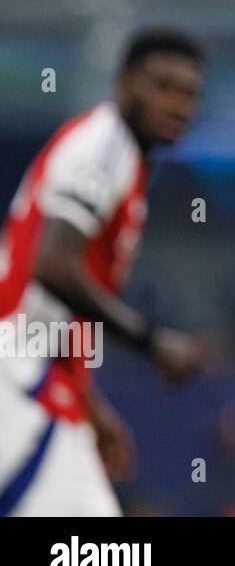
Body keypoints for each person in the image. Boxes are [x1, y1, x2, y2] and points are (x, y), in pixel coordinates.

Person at [0, 29, 207, 515]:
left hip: (40, 374)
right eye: (162, 86)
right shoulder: (105, 145)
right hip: (17, 371)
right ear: (123, 84)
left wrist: (92, 406)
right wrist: (152, 341)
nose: (177, 104)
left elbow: (56, 310)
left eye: (189, 93)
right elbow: (52, 265)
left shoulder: (121, 156)